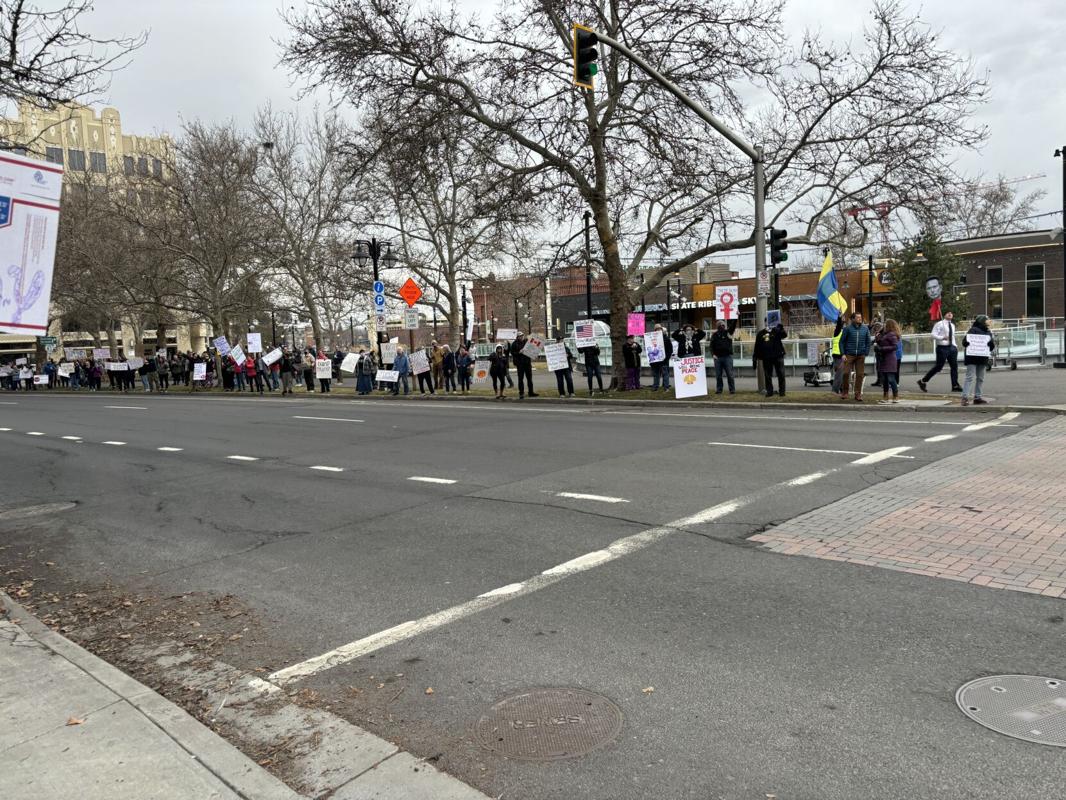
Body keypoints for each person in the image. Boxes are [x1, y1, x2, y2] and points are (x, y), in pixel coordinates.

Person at [917, 310, 962, 393]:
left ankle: (955, 385)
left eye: (951, 313)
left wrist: (955, 346)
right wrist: (942, 337)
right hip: (942, 348)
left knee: (954, 367)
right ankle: (923, 381)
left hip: (952, 348)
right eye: (948, 313)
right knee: (939, 367)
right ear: (944, 315)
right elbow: (933, 335)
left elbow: (952, 336)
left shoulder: (952, 325)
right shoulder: (939, 324)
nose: (950, 314)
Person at [961, 315, 994, 406]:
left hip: (982, 357)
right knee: (970, 377)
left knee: (980, 378)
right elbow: (964, 342)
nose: (989, 321)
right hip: (972, 357)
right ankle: (965, 397)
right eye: (987, 319)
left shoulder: (988, 332)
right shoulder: (973, 330)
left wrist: (990, 344)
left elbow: (991, 347)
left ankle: (977, 397)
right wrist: (968, 342)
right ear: (982, 321)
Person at [838, 312, 871, 402]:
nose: (860, 319)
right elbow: (841, 342)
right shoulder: (847, 329)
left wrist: (866, 352)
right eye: (857, 317)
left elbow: (868, 341)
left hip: (860, 355)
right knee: (845, 373)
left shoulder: (865, 329)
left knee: (860, 375)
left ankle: (858, 394)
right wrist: (843, 354)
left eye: (860, 317)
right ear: (853, 319)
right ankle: (845, 392)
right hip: (849, 354)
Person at [753, 318, 787, 397]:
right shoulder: (761, 333)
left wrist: (781, 328)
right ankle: (769, 391)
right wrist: (755, 358)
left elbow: (784, 335)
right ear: (765, 323)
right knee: (767, 375)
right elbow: (757, 346)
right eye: (767, 321)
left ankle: (782, 391)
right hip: (766, 357)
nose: (769, 323)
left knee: (781, 374)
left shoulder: (776, 330)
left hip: (778, 356)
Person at [876, 319, 902, 404]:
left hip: (890, 359)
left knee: (891, 378)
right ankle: (885, 397)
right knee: (885, 380)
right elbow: (879, 342)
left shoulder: (892, 334)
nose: (883, 325)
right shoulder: (885, 334)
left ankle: (896, 396)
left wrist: (882, 349)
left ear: (889, 325)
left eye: (885, 324)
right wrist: (878, 334)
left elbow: (895, 346)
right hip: (883, 359)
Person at [709, 319, 737, 395]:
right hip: (717, 358)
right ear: (717, 326)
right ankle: (719, 390)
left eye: (723, 325)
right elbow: (711, 346)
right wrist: (713, 354)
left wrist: (736, 318)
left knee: (730, 375)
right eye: (720, 325)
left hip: (727, 357)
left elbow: (733, 326)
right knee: (718, 375)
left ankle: (732, 390)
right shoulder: (714, 335)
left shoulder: (728, 332)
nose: (722, 326)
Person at [510, 332, 537, 398]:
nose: (521, 337)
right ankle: (521, 393)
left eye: (522, 336)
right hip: (520, 364)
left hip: (527, 363)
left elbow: (533, 347)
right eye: (520, 336)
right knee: (520, 379)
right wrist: (519, 352)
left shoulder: (527, 341)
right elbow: (512, 353)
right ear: (517, 337)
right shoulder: (514, 343)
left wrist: (533, 353)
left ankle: (531, 392)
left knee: (529, 378)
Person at [648, 324, 673, 391]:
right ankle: (655, 387)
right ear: (655, 331)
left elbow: (670, 350)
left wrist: (666, 358)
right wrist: (651, 360)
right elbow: (649, 349)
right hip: (655, 361)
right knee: (656, 374)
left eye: (660, 329)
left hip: (663, 360)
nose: (658, 330)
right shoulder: (651, 338)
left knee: (665, 374)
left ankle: (666, 387)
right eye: (657, 329)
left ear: (662, 330)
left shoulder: (666, 338)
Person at [830, 315, 846, 394]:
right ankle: (835, 390)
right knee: (839, 374)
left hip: (839, 356)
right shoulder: (837, 331)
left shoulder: (841, 332)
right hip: (838, 356)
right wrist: (839, 318)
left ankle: (842, 389)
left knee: (841, 374)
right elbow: (839, 325)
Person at [869, 321, 884, 387]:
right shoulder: (878, 333)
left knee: (880, 367)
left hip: (881, 352)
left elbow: (881, 341)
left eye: (877, 327)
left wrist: (876, 344)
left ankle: (881, 381)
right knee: (878, 367)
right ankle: (878, 381)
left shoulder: (882, 334)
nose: (876, 329)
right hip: (878, 352)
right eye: (875, 327)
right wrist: (870, 343)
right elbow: (875, 341)